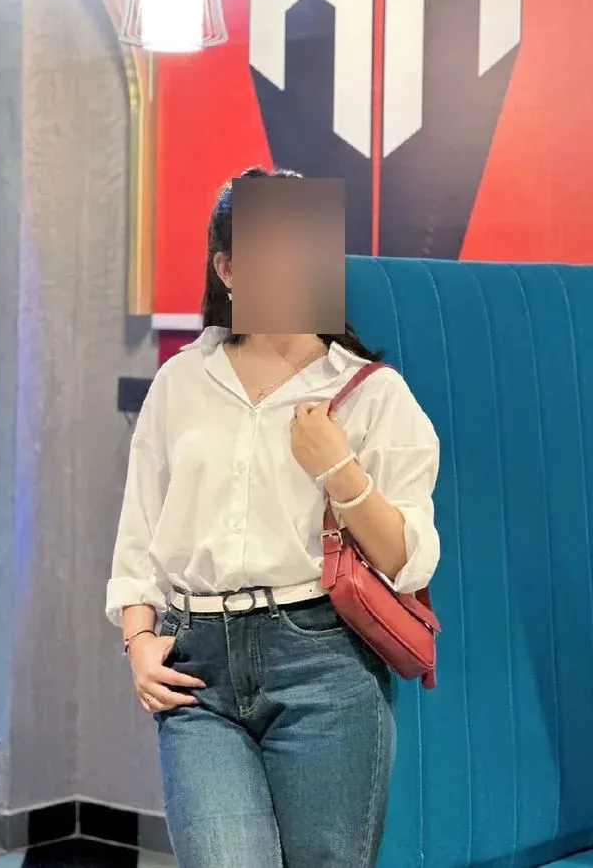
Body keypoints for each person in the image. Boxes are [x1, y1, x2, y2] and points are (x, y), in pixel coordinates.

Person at [106, 167, 440, 868]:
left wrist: (338, 468)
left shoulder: (373, 394)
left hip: (324, 666)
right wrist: (138, 640)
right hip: (197, 670)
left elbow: (408, 560)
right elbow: (139, 535)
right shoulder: (181, 382)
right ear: (227, 268)